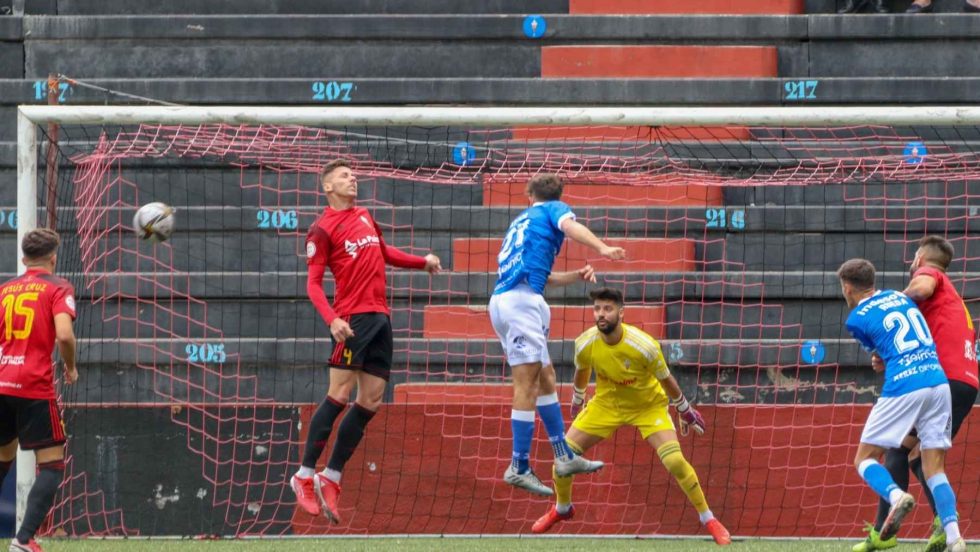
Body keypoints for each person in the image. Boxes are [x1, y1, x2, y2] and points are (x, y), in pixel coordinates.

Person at [291, 160, 441, 523]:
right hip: (352, 320)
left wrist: (421, 262)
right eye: (344, 175)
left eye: (353, 174)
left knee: (370, 400)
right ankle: (304, 475)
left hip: (380, 317)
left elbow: (384, 253)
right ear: (328, 187)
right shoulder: (322, 230)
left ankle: (332, 476)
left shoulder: (364, 215)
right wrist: (333, 320)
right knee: (339, 395)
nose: (352, 178)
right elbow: (312, 284)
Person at [530, 288, 731, 545]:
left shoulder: (644, 346)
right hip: (607, 404)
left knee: (675, 462)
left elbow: (666, 379)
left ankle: (709, 519)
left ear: (621, 313)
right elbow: (582, 370)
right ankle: (562, 508)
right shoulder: (584, 342)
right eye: (597, 309)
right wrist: (578, 399)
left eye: (608, 309)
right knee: (562, 459)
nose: (601, 314)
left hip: (648, 406)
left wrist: (684, 409)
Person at [488, 173, 626, 496]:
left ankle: (563, 456)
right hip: (520, 304)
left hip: (517, 300)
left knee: (547, 376)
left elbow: (544, 278)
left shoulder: (521, 222)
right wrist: (602, 247)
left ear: (528, 194)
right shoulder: (551, 211)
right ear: (559, 196)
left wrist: (576, 276)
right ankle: (518, 465)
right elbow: (570, 226)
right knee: (527, 382)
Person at [853, 237, 978, 552]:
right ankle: (947, 530)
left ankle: (884, 534)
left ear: (921, 257)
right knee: (919, 456)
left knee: (893, 452)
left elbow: (919, 290)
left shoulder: (931, 276)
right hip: (964, 380)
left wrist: (892, 304)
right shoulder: (953, 299)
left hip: (937, 377)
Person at [0, 228, 78, 552]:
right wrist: (70, 366)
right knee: (52, 463)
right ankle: (23, 540)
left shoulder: (5, 290)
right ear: (53, 258)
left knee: (3, 458)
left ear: (23, 259)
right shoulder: (59, 287)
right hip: (34, 386)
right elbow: (64, 335)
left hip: (2, 382)